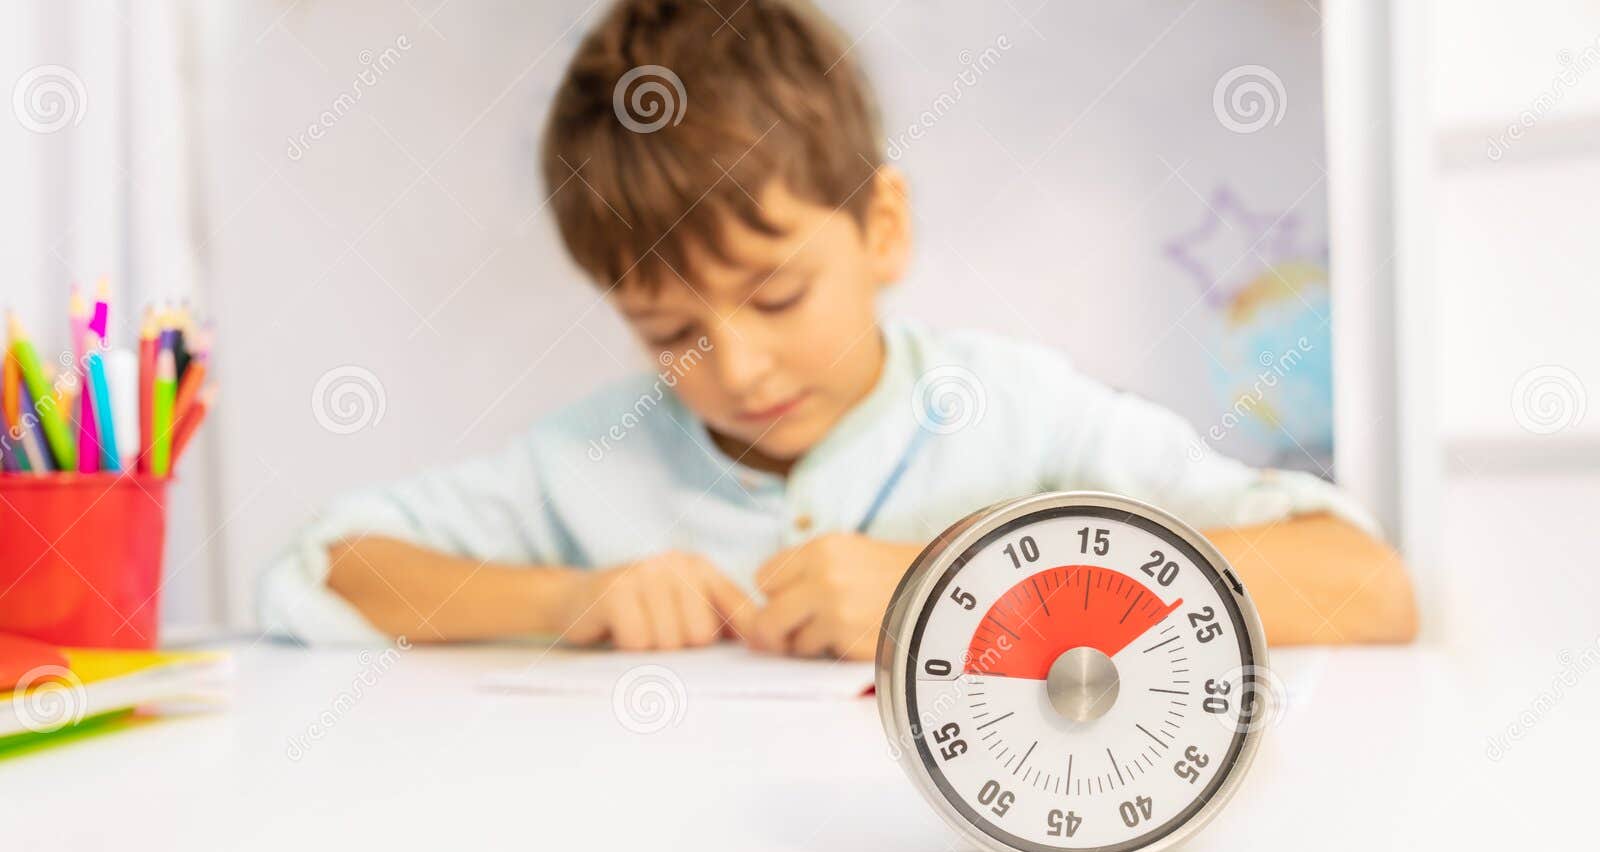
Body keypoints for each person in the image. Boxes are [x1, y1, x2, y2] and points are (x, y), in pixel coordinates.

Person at [258, 0, 1417, 658]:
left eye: (774, 297)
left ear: (882, 228)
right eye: (669, 330)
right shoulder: (590, 462)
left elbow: (1360, 584)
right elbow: (328, 569)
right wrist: (565, 600)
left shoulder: (1019, 413)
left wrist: (953, 587)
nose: (738, 365)